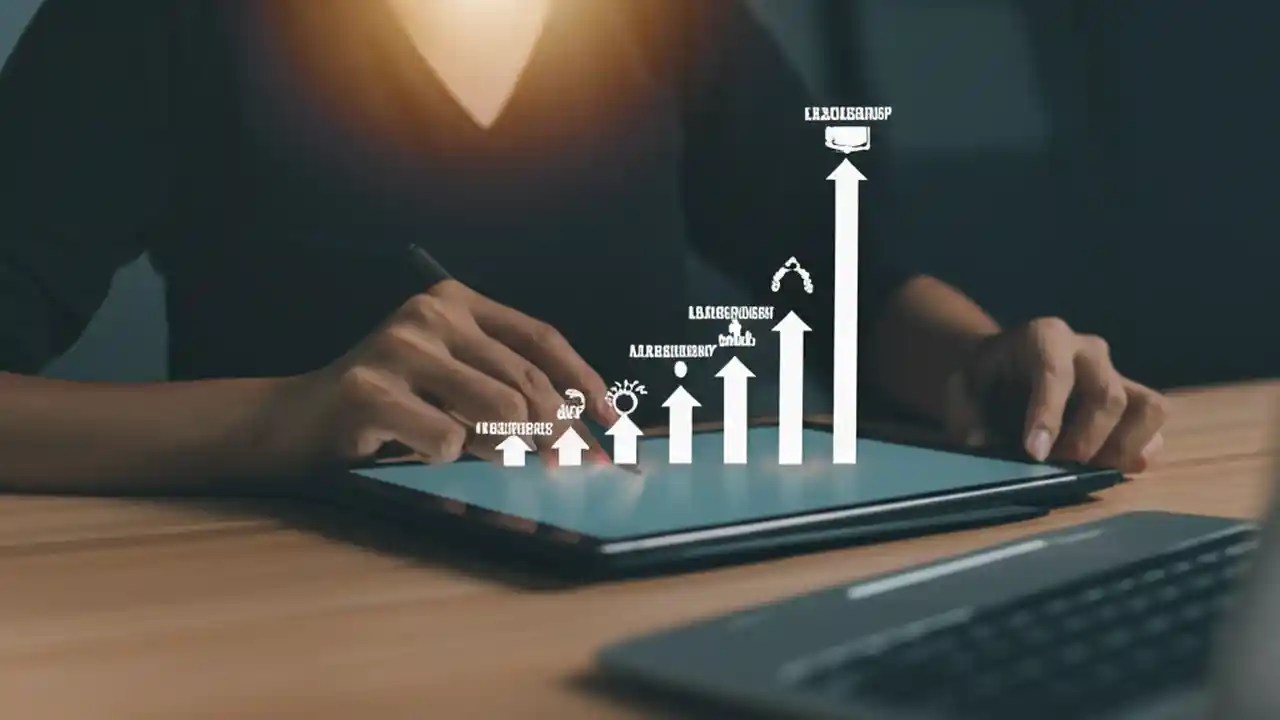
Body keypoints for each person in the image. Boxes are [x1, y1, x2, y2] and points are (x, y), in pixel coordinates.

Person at [0, 0, 1167, 495]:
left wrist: (976, 364)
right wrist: (281, 420)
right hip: (294, 613)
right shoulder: (153, 18)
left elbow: (847, 282)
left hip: (639, 584)